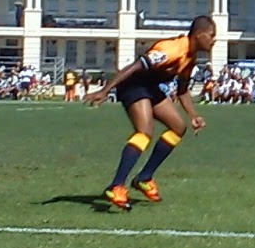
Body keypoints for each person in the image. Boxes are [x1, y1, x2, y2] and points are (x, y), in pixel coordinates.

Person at [88, 15, 216, 209]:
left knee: (178, 128)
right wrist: (106, 90)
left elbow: (182, 89)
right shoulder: (171, 49)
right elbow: (133, 67)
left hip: (150, 87)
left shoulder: (190, 57)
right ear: (199, 35)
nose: (214, 40)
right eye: (211, 35)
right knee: (144, 132)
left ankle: (144, 178)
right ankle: (116, 186)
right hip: (133, 85)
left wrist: (193, 116)